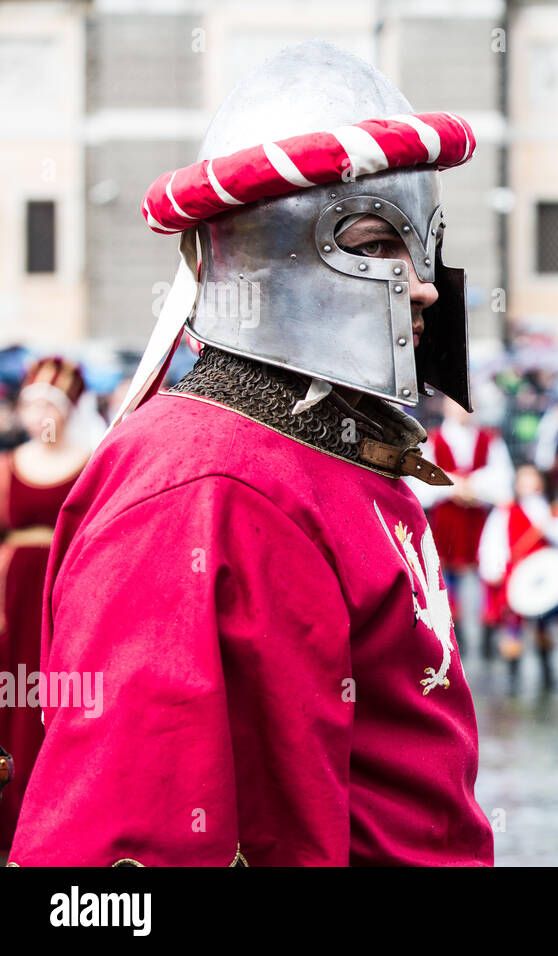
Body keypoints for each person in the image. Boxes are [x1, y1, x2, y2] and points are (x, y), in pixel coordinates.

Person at [9, 42, 493, 866]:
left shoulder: (332, 440)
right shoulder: (201, 486)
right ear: (263, 256)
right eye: (374, 243)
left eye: (423, 244)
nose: (422, 285)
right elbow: (129, 849)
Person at [0, 358, 93, 858]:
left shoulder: (88, 461)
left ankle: (47, 809)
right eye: (32, 406)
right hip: (12, 595)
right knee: (9, 690)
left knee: (51, 690)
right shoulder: (8, 465)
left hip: (59, 590)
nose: (40, 416)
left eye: (48, 406)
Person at [408, 395, 513, 659]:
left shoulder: (490, 439)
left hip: (480, 517)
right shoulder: (434, 440)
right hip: (448, 518)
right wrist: (454, 487)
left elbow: (503, 477)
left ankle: (489, 628)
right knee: (448, 575)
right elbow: (421, 480)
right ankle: (456, 632)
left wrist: (474, 486)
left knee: (488, 571)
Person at [479, 464, 558, 695]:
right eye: (523, 478)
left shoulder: (553, 509)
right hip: (515, 579)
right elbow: (492, 543)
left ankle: (547, 676)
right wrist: (494, 570)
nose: (527, 483)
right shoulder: (505, 511)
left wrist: (549, 524)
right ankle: (513, 680)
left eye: (532, 478)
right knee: (512, 630)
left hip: (545, 578)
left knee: (544, 630)